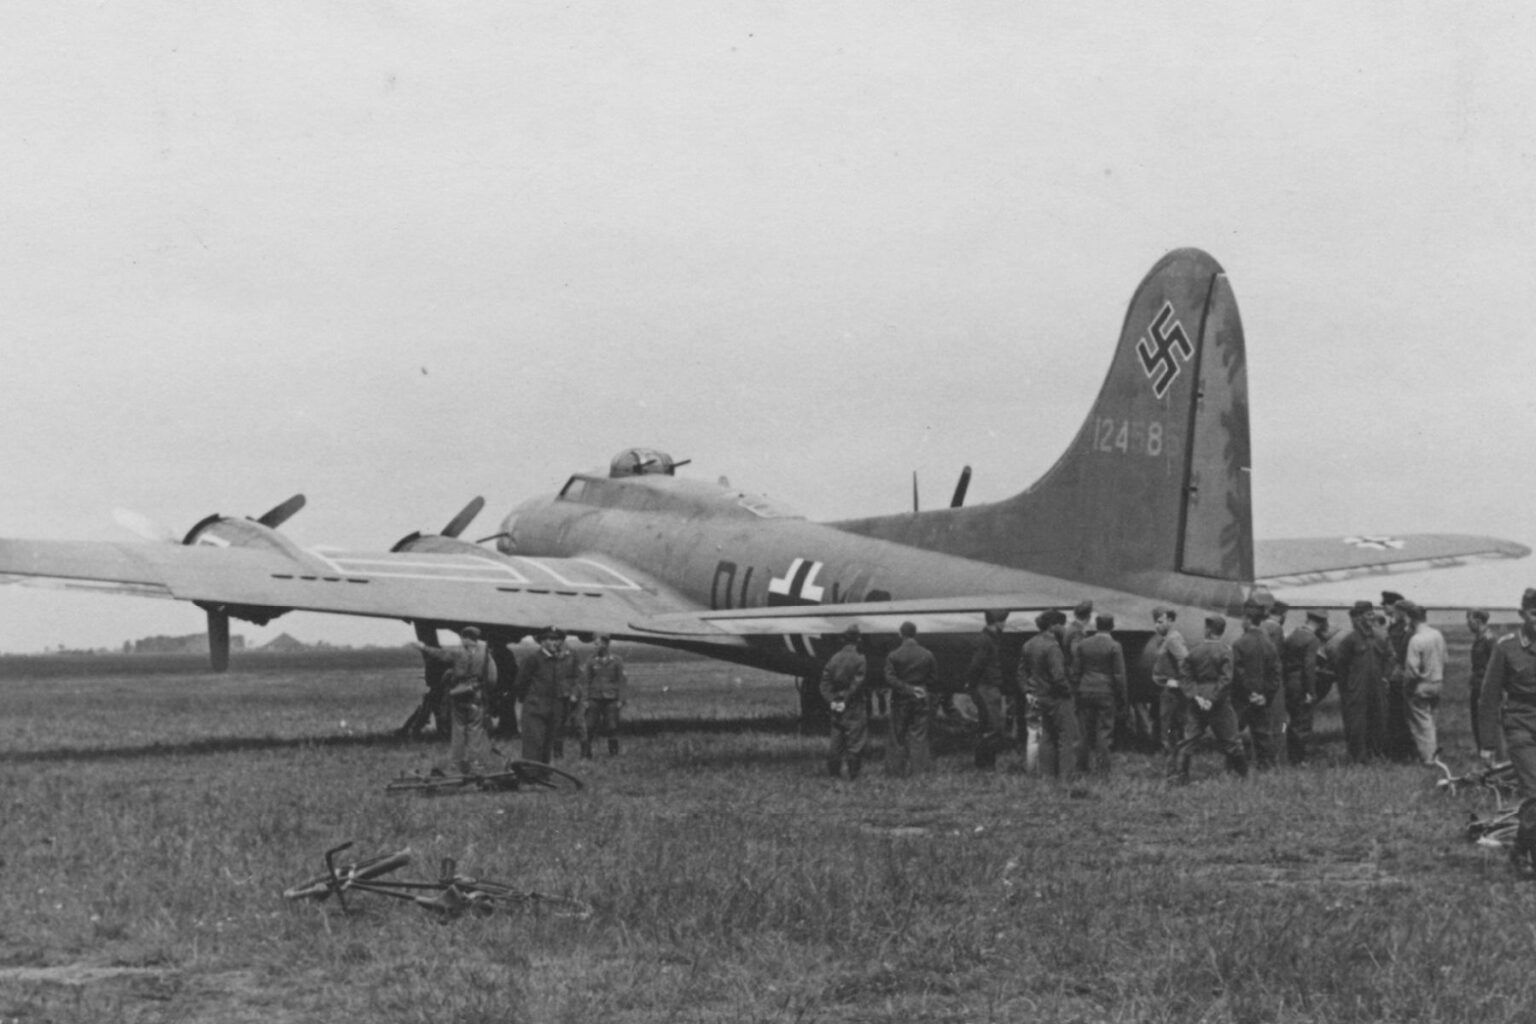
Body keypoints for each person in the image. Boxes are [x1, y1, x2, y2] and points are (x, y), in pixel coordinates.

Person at [1477, 589, 1536, 876]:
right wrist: (1488, 744)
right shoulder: (1506, 647)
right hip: (1520, 724)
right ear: (1522, 614)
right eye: (1535, 614)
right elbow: (1488, 696)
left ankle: (1519, 849)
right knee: (1535, 791)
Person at [412, 626, 497, 775]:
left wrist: (423, 648)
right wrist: (485, 692)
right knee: (475, 729)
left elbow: (439, 654)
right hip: (476, 695)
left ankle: (457, 763)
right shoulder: (486, 655)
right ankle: (476, 763)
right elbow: (492, 678)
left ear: (464, 637)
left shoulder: (457, 653)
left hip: (459, 694)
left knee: (458, 729)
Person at [1174, 614, 1247, 780]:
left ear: (1207, 629)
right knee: (1231, 740)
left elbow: (1185, 677)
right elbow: (1226, 679)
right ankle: (1243, 776)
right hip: (1219, 701)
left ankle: (1179, 777)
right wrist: (1212, 699)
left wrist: (1196, 696)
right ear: (1222, 631)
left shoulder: (1194, 651)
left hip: (1197, 699)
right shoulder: (1226, 651)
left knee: (1189, 740)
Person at [1020, 610, 1078, 781]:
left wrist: (1027, 690)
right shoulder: (1053, 647)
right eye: (1062, 625)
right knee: (1065, 737)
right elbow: (1058, 676)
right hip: (1057, 697)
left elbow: (1021, 672)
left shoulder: (1029, 644)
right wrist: (1068, 692)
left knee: (1046, 736)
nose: (1064, 628)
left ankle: (1047, 774)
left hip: (1039, 696)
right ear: (1054, 626)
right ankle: (1066, 775)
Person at [1332, 601, 1392, 763]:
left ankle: (1376, 754)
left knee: (1378, 720)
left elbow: (1389, 658)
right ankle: (1358, 757)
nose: (1372, 618)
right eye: (1368, 615)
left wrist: (1385, 677)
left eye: (1372, 614)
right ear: (1357, 618)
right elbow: (1340, 666)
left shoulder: (1379, 638)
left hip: (1377, 687)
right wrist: (1348, 687)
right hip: (1356, 689)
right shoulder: (1349, 640)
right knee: (1356, 723)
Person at [1072, 613, 1126, 774]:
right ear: (1112, 627)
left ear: (1096, 626)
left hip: (1085, 690)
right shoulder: (1114, 646)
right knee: (1104, 732)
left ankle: (1081, 768)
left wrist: (1076, 690)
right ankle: (1103, 770)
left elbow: (1076, 671)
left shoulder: (1083, 644)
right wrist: (1122, 697)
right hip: (1105, 692)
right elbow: (1119, 675)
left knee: (1083, 732)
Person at [1231, 601, 1281, 769]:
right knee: (1263, 735)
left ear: (1247, 619)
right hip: (1262, 699)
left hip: (1243, 700)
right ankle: (1267, 767)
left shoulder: (1239, 644)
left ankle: (1236, 769)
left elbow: (1238, 674)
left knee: (1233, 733)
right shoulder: (1269, 644)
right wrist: (1264, 695)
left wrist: (1249, 694)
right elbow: (1275, 674)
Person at [519, 626, 579, 764]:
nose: (555, 643)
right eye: (551, 639)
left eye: (557, 640)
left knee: (548, 741)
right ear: (542, 641)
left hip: (553, 707)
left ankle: (543, 774)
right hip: (535, 707)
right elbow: (521, 683)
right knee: (534, 742)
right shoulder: (532, 659)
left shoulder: (557, 660)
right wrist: (529, 699)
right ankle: (530, 776)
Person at [883, 621, 936, 776]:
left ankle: (895, 771)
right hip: (921, 697)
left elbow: (890, 678)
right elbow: (933, 677)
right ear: (915, 633)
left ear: (901, 634)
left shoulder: (893, 655)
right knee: (919, 736)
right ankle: (919, 772)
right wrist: (921, 688)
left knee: (897, 736)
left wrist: (907, 689)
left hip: (901, 699)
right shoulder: (927, 654)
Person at [1399, 601, 1445, 766]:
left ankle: (1429, 758)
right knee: (1431, 721)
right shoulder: (1437, 634)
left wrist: (1408, 685)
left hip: (1421, 684)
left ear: (1411, 619)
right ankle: (1434, 755)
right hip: (1437, 682)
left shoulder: (1416, 639)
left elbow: (1412, 669)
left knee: (1421, 724)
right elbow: (1444, 658)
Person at [820, 625, 869, 779]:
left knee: (836, 741)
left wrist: (832, 700)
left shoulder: (834, 658)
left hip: (836, 705)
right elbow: (857, 683)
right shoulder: (860, 658)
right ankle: (853, 776)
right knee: (855, 742)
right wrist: (846, 700)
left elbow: (824, 683)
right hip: (854, 706)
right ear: (858, 639)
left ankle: (833, 774)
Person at [1280, 611, 1326, 764]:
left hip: (1289, 682)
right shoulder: (1312, 639)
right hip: (1301, 683)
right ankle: (1298, 759)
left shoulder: (1293, 635)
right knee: (1303, 721)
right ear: (1321, 623)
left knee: (1293, 718)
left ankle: (1288, 754)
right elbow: (1309, 667)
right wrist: (1311, 691)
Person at [966, 610, 1009, 769]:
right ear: (997, 622)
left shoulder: (987, 639)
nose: (1005, 624)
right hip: (987, 687)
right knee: (994, 727)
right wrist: (972, 684)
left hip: (986, 686)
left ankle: (983, 765)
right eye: (1003, 621)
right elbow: (976, 664)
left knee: (987, 726)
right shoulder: (987, 640)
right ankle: (986, 766)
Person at [1150, 607, 1190, 770]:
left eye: (1160, 622)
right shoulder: (1167, 638)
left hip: (1173, 693)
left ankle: (1173, 766)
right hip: (1169, 691)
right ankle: (1175, 765)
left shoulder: (1173, 639)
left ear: (1171, 621)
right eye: (1155, 622)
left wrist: (1179, 682)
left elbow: (1185, 661)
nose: (1156, 626)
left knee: (1169, 727)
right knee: (1171, 727)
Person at [579, 633, 627, 758]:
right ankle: (586, 754)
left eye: (598, 644)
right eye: (594, 644)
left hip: (611, 698)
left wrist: (621, 700)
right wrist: (585, 699)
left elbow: (622, 681)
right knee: (589, 726)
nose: (595, 647)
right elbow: (586, 681)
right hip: (594, 698)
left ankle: (614, 754)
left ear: (606, 644)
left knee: (612, 726)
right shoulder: (591, 660)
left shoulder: (616, 660)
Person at [1382, 591, 1417, 762]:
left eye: (1387, 604)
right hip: (1394, 675)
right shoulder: (1395, 626)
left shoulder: (1401, 628)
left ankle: (1402, 751)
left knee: (1399, 715)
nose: (1384, 608)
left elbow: (1397, 654)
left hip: (1399, 675)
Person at [1467, 609, 1505, 759]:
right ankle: (1485, 758)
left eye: (1468, 620)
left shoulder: (1490, 640)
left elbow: (1497, 666)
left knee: (1490, 725)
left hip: (1487, 689)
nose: (1467, 624)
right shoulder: (1479, 638)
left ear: (1477, 620)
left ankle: (1499, 761)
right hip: (1477, 686)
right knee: (1477, 723)